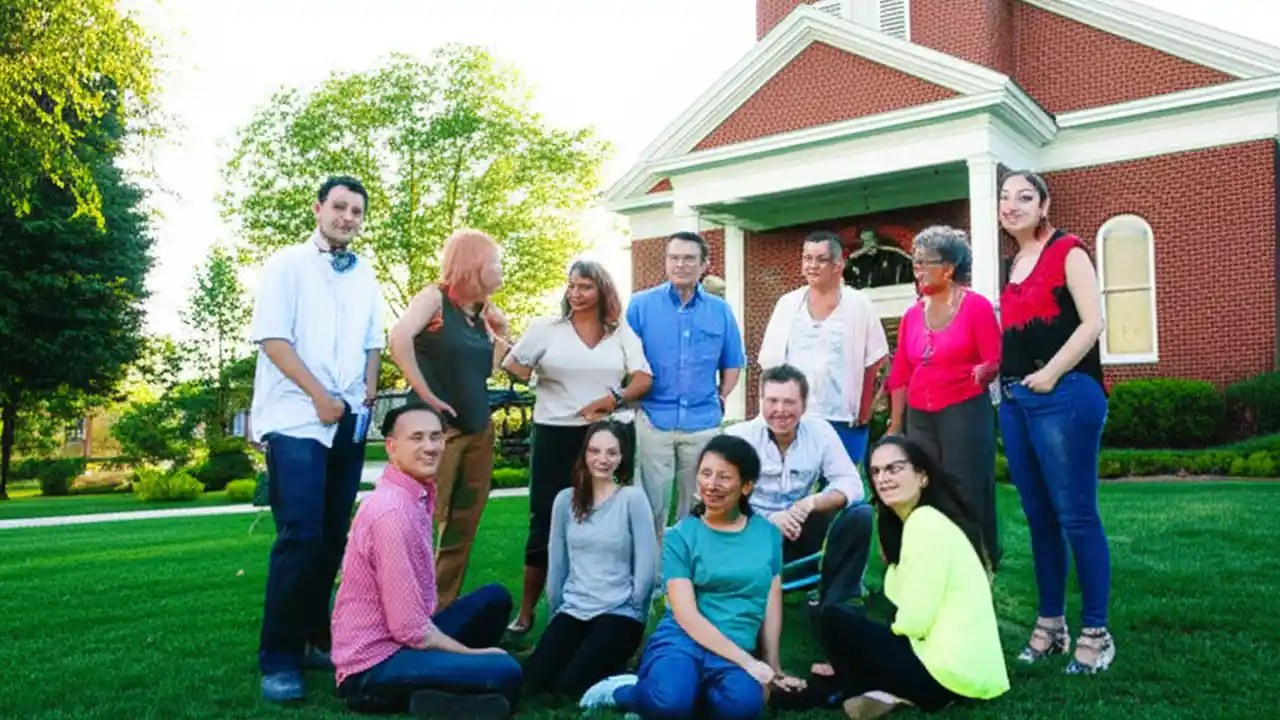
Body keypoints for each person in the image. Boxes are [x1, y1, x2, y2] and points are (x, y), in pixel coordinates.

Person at [250, 176, 384, 703]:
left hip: (347, 416)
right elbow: (273, 339)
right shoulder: (286, 265)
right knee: (300, 534)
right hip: (295, 417)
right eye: (339, 207)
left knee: (331, 536)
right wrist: (319, 397)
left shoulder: (365, 273)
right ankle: (278, 659)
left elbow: (373, 340)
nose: (347, 217)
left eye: (356, 211)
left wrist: (366, 392)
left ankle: (311, 639)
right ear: (318, 208)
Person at [578, 434, 806, 720]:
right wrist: (749, 663)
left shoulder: (768, 535)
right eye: (706, 474)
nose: (712, 484)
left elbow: (771, 601)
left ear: (746, 486)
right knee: (671, 704)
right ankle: (625, 691)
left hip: (734, 645)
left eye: (724, 477)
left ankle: (680, 694)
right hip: (681, 642)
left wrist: (773, 666)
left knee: (743, 708)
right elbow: (686, 615)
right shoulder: (681, 536)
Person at [332, 403, 521, 719]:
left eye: (436, 437)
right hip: (373, 664)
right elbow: (410, 630)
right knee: (506, 671)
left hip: (404, 641)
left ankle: (443, 689)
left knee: (495, 599)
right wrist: (472, 654)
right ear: (392, 447)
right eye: (417, 438)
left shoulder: (413, 494)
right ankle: (418, 697)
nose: (430, 447)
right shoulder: (392, 513)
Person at [997, 170, 1113, 674]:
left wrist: (1049, 374)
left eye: (1025, 197)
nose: (1012, 205)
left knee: (1077, 516)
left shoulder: (1068, 250)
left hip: (1065, 393)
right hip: (1016, 400)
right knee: (1040, 518)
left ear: (1044, 205)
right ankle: (1051, 625)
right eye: (1005, 197)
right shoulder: (1011, 265)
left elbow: (1093, 322)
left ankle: (1096, 634)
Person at [502, 259, 652, 633]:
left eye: (585, 286)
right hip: (555, 433)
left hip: (605, 436)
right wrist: (509, 351)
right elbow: (515, 366)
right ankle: (526, 613)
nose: (576, 293)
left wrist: (612, 400)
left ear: (602, 290)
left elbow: (643, 378)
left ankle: (611, 604)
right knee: (544, 519)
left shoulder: (620, 332)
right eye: (571, 285)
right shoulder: (546, 329)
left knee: (608, 519)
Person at [820, 436, 1008, 719]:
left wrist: (864, 649)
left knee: (834, 617)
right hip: (970, 675)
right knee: (856, 628)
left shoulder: (925, 523)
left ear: (922, 476)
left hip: (942, 674)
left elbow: (915, 620)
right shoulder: (923, 522)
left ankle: (855, 685)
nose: (883, 478)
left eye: (894, 468)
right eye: (876, 471)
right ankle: (869, 689)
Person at [388, 229, 510, 610]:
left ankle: (437, 612)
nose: (501, 269)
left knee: (462, 529)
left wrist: (502, 333)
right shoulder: (435, 299)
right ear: (474, 264)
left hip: (478, 430)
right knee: (418, 523)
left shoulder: (481, 316)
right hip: (437, 434)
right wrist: (425, 394)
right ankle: (399, 608)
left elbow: (484, 373)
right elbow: (398, 338)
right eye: (496, 262)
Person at [885, 225, 1002, 569]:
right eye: (915, 262)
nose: (917, 269)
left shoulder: (976, 307)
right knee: (925, 483)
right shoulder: (911, 315)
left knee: (964, 485)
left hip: (963, 409)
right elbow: (900, 373)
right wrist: (895, 425)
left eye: (925, 262)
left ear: (949, 268)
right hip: (920, 413)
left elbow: (994, 357)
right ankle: (934, 559)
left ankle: (977, 560)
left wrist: (984, 371)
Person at [523, 420, 658, 697]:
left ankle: (626, 672)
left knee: (571, 687)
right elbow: (557, 563)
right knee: (534, 682)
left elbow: (647, 564)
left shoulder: (632, 499)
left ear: (622, 457)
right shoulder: (565, 501)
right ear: (584, 454)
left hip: (619, 611)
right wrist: (557, 612)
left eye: (611, 452)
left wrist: (635, 607)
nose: (602, 460)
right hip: (574, 608)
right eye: (595, 451)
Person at [723, 364, 873, 611]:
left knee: (861, 514)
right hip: (750, 532)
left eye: (789, 402)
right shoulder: (737, 438)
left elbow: (853, 485)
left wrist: (810, 503)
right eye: (772, 401)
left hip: (799, 525)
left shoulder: (820, 432)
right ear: (761, 401)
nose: (780, 410)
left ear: (804, 405)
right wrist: (768, 521)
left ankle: (836, 603)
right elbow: (718, 501)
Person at [627, 231, 745, 542]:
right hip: (653, 420)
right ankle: (651, 568)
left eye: (689, 258)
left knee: (697, 505)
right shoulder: (640, 306)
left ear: (704, 265)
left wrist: (722, 397)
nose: (680, 264)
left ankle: (687, 564)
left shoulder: (720, 311)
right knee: (651, 505)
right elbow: (625, 359)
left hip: (702, 423)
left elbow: (733, 361)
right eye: (674, 258)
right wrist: (634, 400)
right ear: (666, 262)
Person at [758, 230, 889, 469]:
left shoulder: (858, 304)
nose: (812, 265)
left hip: (843, 419)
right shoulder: (788, 305)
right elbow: (770, 365)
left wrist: (863, 413)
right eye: (807, 258)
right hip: (795, 418)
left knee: (842, 484)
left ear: (838, 265)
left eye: (820, 259)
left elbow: (876, 362)